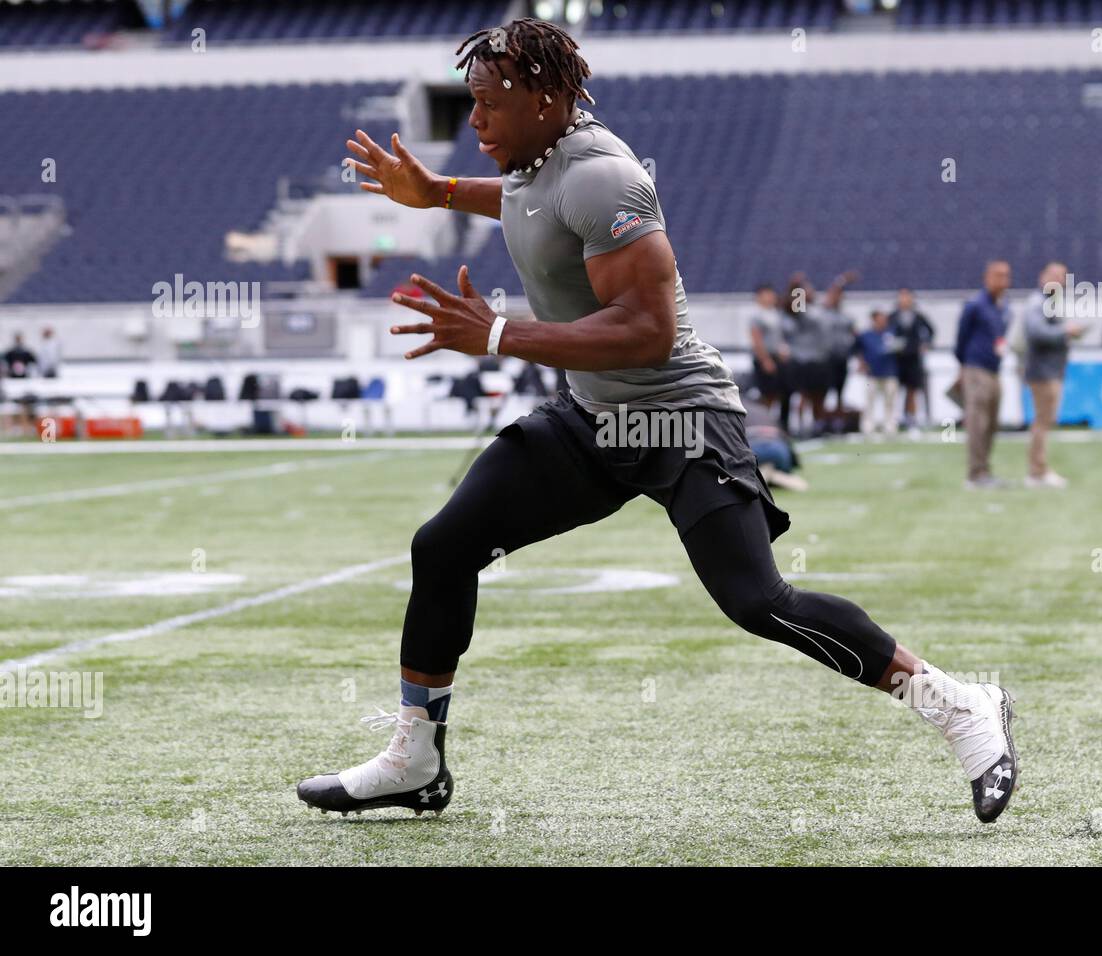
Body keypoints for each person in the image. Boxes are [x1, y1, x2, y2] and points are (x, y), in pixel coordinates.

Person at [299, 17, 1019, 824]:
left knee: (758, 600)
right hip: (593, 417)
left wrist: (497, 333)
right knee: (443, 546)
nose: (475, 122)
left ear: (546, 98)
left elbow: (645, 330)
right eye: (470, 103)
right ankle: (416, 760)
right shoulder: (538, 157)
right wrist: (435, 193)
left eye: (488, 103)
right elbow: (529, 201)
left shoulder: (603, 176)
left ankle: (961, 706)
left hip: (677, 421)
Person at [1021, 261, 1084, 488]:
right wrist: (1065, 330)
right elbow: (1036, 333)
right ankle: (1037, 471)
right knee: (1042, 421)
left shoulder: (1051, 302)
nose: (1061, 281)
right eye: (1057, 276)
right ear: (1044, 276)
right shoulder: (1038, 302)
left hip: (1052, 370)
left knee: (1046, 421)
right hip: (1043, 371)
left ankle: (1039, 469)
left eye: (1063, 277)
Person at [954, 261, 1012, 489]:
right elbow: (961, 339)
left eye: (1007, 276)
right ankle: (975, 474)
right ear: (987, 277)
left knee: (992, 423)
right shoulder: (975, 305)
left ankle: (985, 469)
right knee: (977, 422)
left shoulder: (1003, 307)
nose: (1003, 280)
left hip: (994, 369)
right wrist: (964, 364)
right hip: (976, 368)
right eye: (998, 275)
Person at [780, 274, 833, 437]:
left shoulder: (817, 309)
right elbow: (793, 305)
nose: (811, 292)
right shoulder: (800, 310)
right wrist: (795, 286)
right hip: (803, 360)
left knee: (819, 396)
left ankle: (818, 426)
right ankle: (801, 427)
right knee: (803, 394)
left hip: (820, 359)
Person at [889, 288, 934, 435]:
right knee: (895, 390)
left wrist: (926, 343)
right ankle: (894, 420)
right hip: (897, 358)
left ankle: (910, 419)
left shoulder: (918, 316)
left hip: (913, 357)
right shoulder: (893, 316)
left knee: (912, 390)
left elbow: (931, 331)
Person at [746, 283, 791, 430]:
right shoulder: (756, 315)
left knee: (784, 391)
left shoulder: (776, 314)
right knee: (768, 393)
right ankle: (763, 423)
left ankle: (783, 424)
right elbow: (756, 339)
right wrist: (765, 359)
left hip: (778, 357)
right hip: (766, 358)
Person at [820, 269, 860, 431]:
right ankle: (819, 422)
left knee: (839, 392)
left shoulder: (847, 317)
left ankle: (837, 423)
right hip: (825, 359)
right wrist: (841, 280)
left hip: (842, 358)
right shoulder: (821, 314)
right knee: (821, 392)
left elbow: (856, 337)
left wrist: (861, 358)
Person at [855, 309, 901, 436]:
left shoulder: (891, 332)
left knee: (890, 401)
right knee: (869, 402)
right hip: (872, 374)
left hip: (890, 372)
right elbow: (858, 350)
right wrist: (861, 363)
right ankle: (868, 426)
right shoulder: (866, 335)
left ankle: (890, 426)